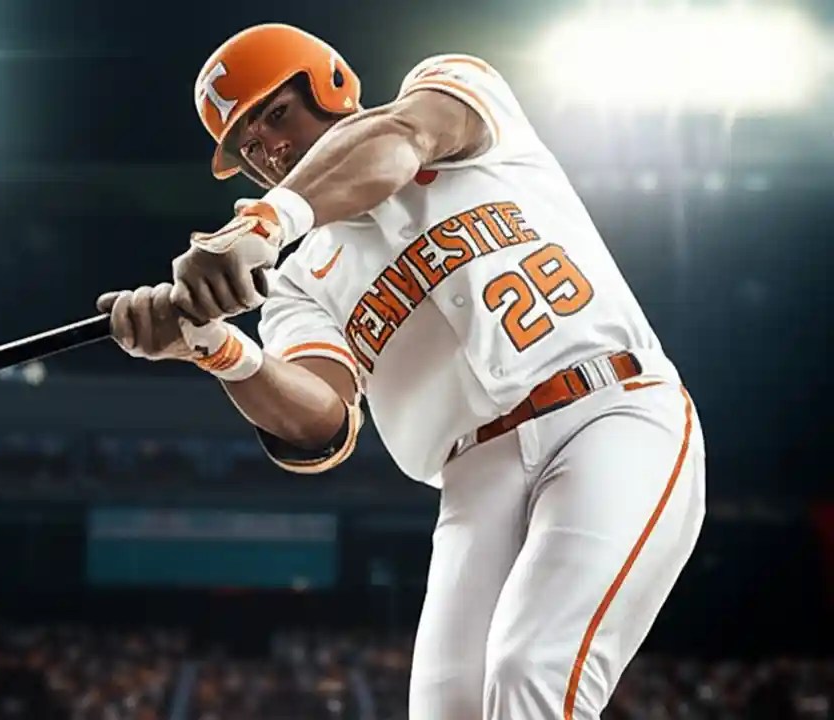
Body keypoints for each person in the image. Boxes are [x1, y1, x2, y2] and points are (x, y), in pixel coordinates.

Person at [96, 23, 706, 720]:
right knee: (448, 709)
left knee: (531, 665)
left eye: (276, 114)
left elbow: (402, 138)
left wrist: (263, 223)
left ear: (331, 84)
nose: (270, 150)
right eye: (250, 148)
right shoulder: (298, 282)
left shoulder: (458, 99)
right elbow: (322, 422)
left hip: (609, 412)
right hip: (476, 476)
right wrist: (217, 348)